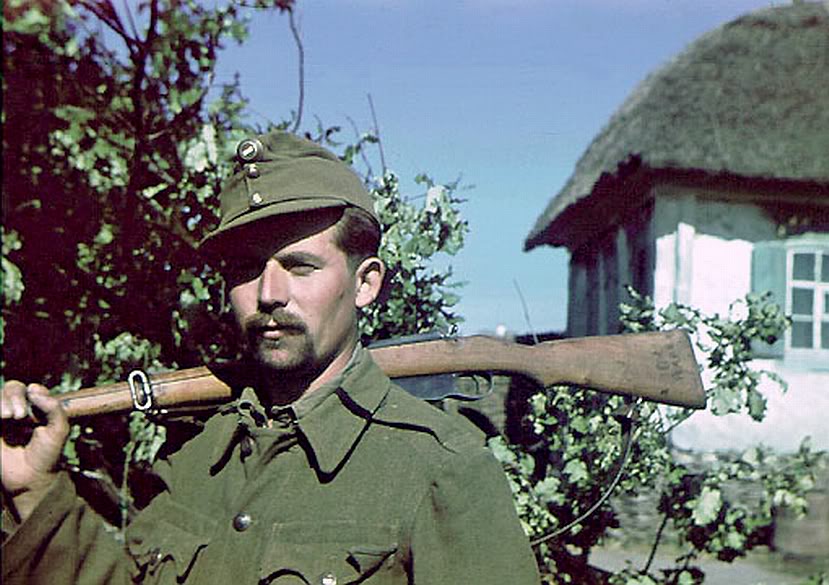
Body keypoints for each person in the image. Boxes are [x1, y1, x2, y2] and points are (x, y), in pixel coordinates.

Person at [1, 132, 541, 584]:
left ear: (366, 283)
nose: (268, 293)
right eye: (245, 268)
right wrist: (34, 490)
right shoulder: (198, 450)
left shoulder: (439, 468)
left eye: (300, 265)